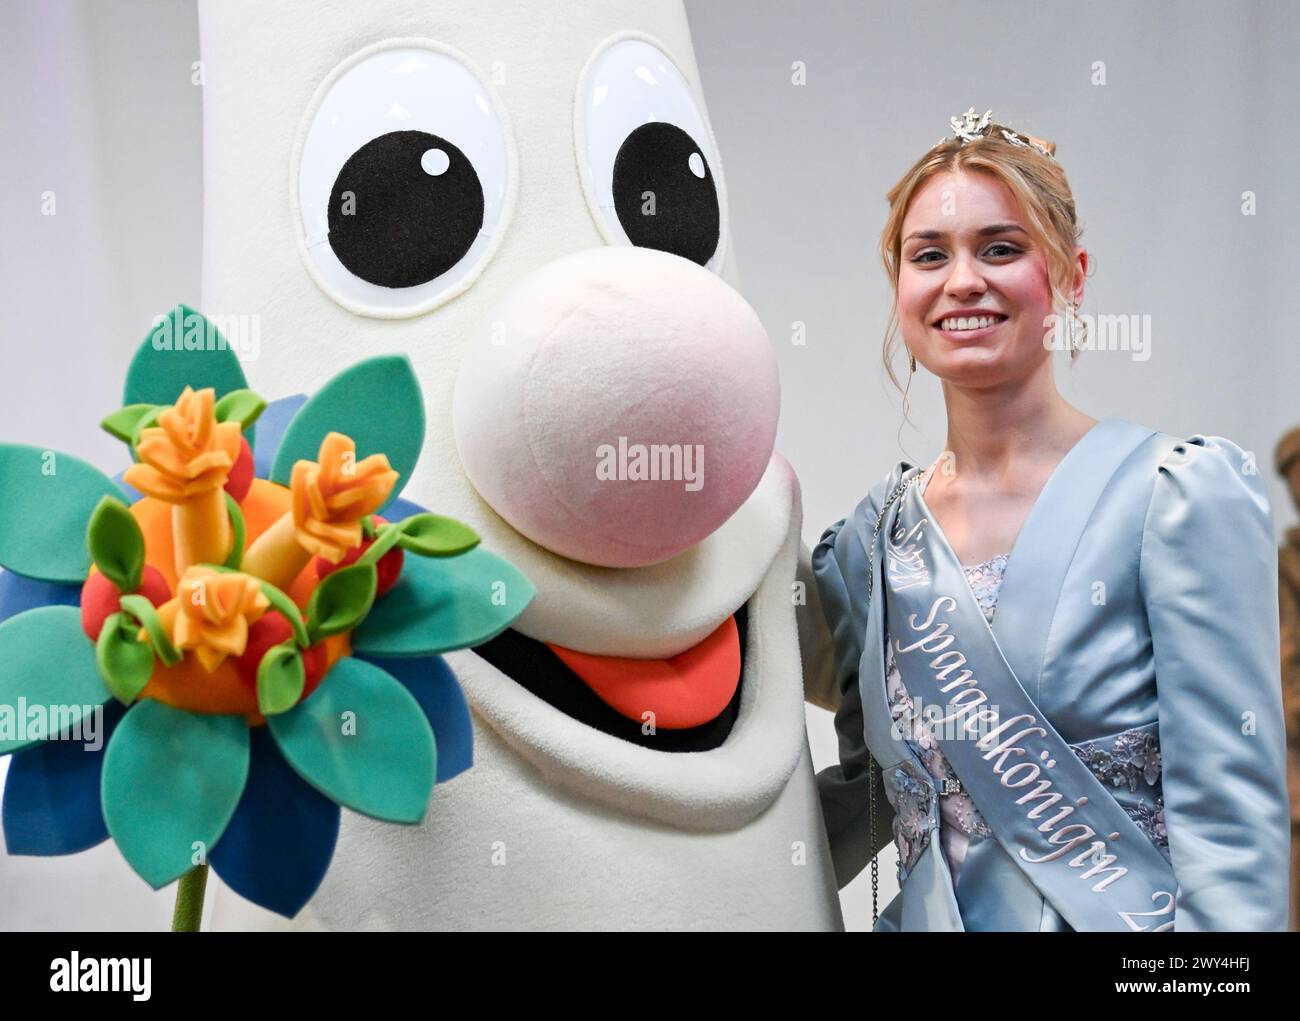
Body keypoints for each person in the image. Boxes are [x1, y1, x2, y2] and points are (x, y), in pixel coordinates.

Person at [808, 107, 1291, 931]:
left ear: (1070, 275)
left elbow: (1234, 835)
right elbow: (866, 794)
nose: (963, 279)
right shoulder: (870, 544)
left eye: (1000, 248)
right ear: (900, 288)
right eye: (930, 255)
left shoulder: (1174, 496)